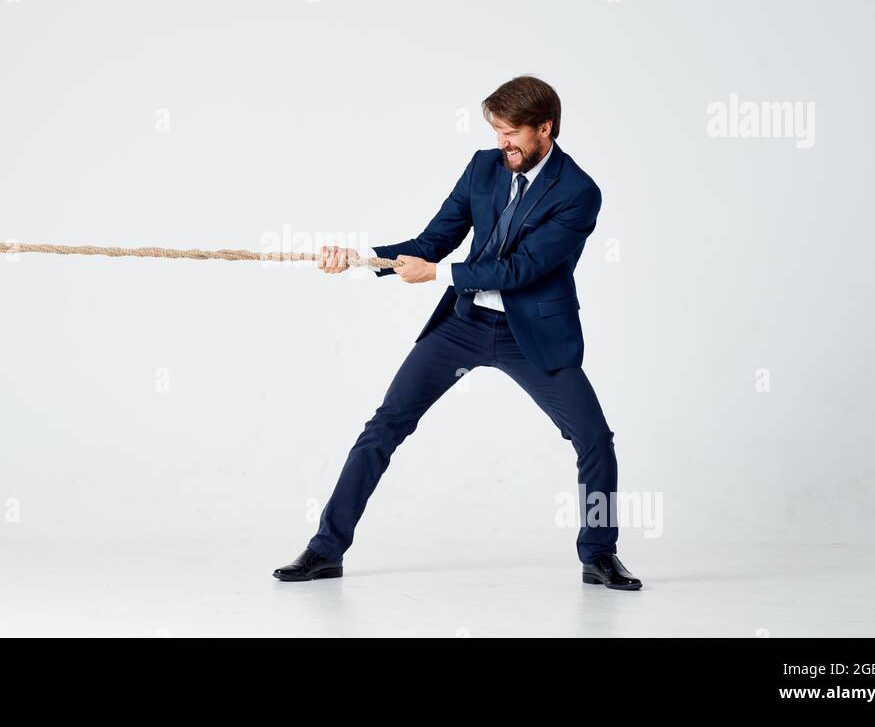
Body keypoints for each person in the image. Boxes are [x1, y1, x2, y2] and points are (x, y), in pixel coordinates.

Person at [273, 75, 640, 590]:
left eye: (512, 134)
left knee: (595, 439)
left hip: (529, 335)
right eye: (496, 132)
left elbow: (523, 269)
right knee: (385, 426)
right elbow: (433, 240)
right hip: (463, 326)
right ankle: (324, 550)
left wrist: (440, 274)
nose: (503, 144)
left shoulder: (579, 193)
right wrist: (359, 259)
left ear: (545, 129)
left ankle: (599, 554)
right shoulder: (483, 168)